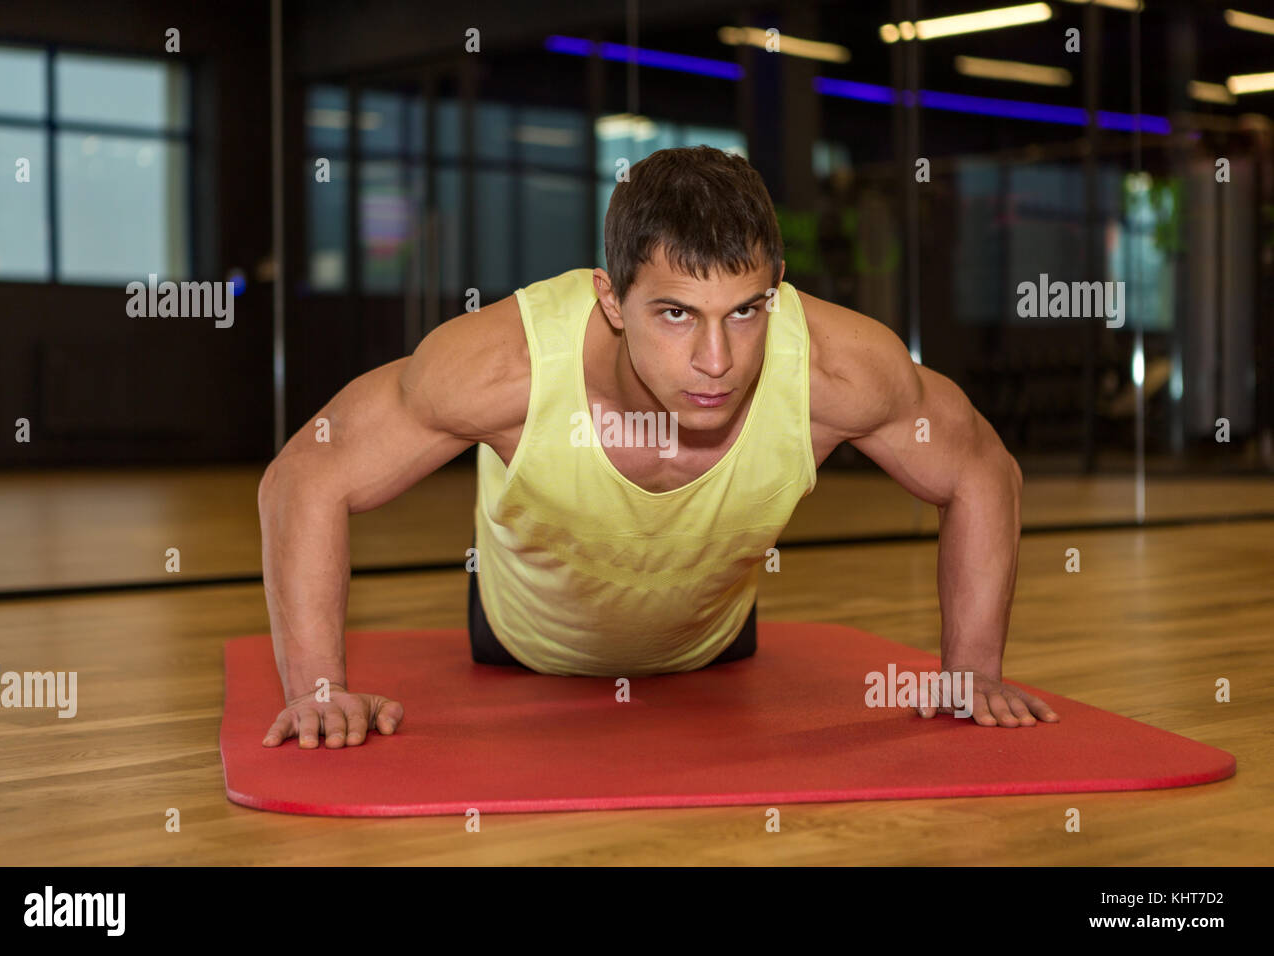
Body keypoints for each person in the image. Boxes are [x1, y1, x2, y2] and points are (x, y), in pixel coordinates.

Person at [258, 145, 1058, 750]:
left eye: (746, 311)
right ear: (611, 299)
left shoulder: (839, 369)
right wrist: (319, 690)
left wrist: (973, 671)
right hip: (519, 640)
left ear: (776, 284)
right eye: (677, 314)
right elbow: (307, 473)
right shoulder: (502, 368)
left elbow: (981, 469)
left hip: (713, 640)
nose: (718, 360)